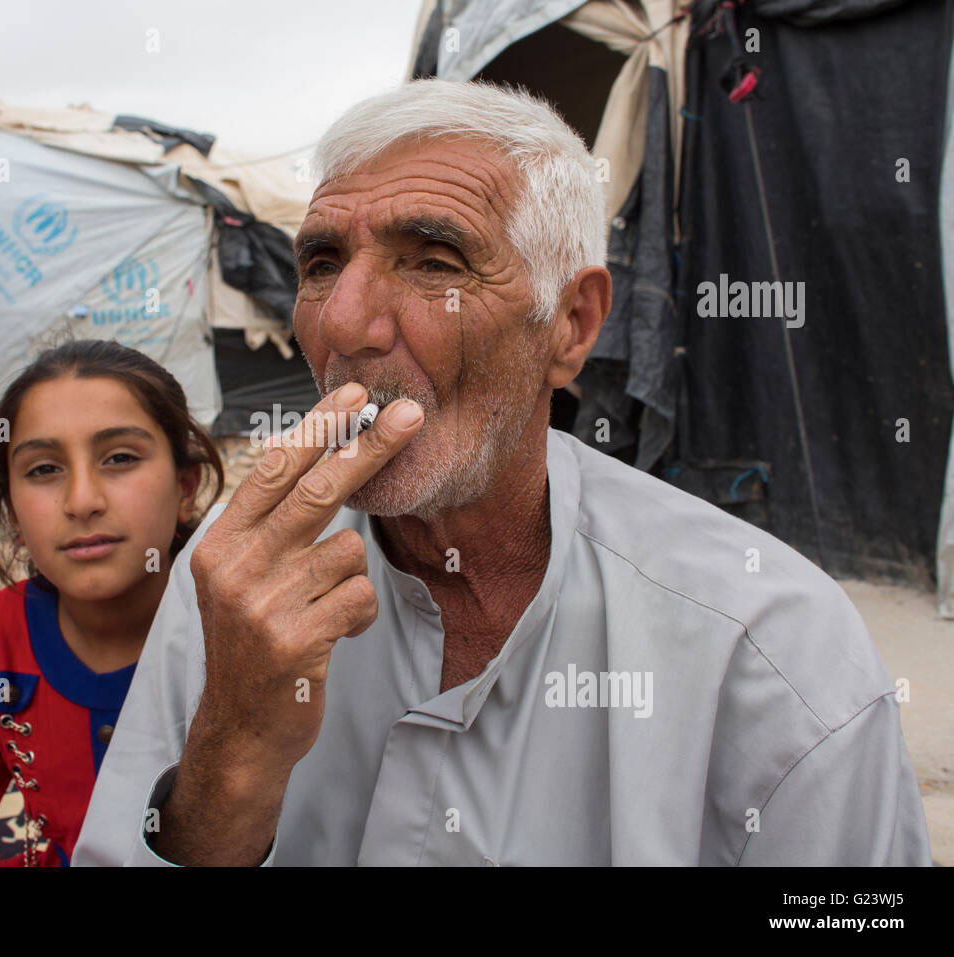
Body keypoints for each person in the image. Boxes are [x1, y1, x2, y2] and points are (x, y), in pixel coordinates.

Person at [72, 79, 932, 866]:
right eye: (323, 263)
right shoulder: (231, 584)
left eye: (435, 261)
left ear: (571, 324)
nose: (345, 324)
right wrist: (233, 755)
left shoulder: (769, 647)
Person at [0, 339, 222, 866]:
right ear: (14, 513)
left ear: (186, 487)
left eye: (120, 458)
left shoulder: (247, 627)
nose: (81, 502)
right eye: (44, 470)